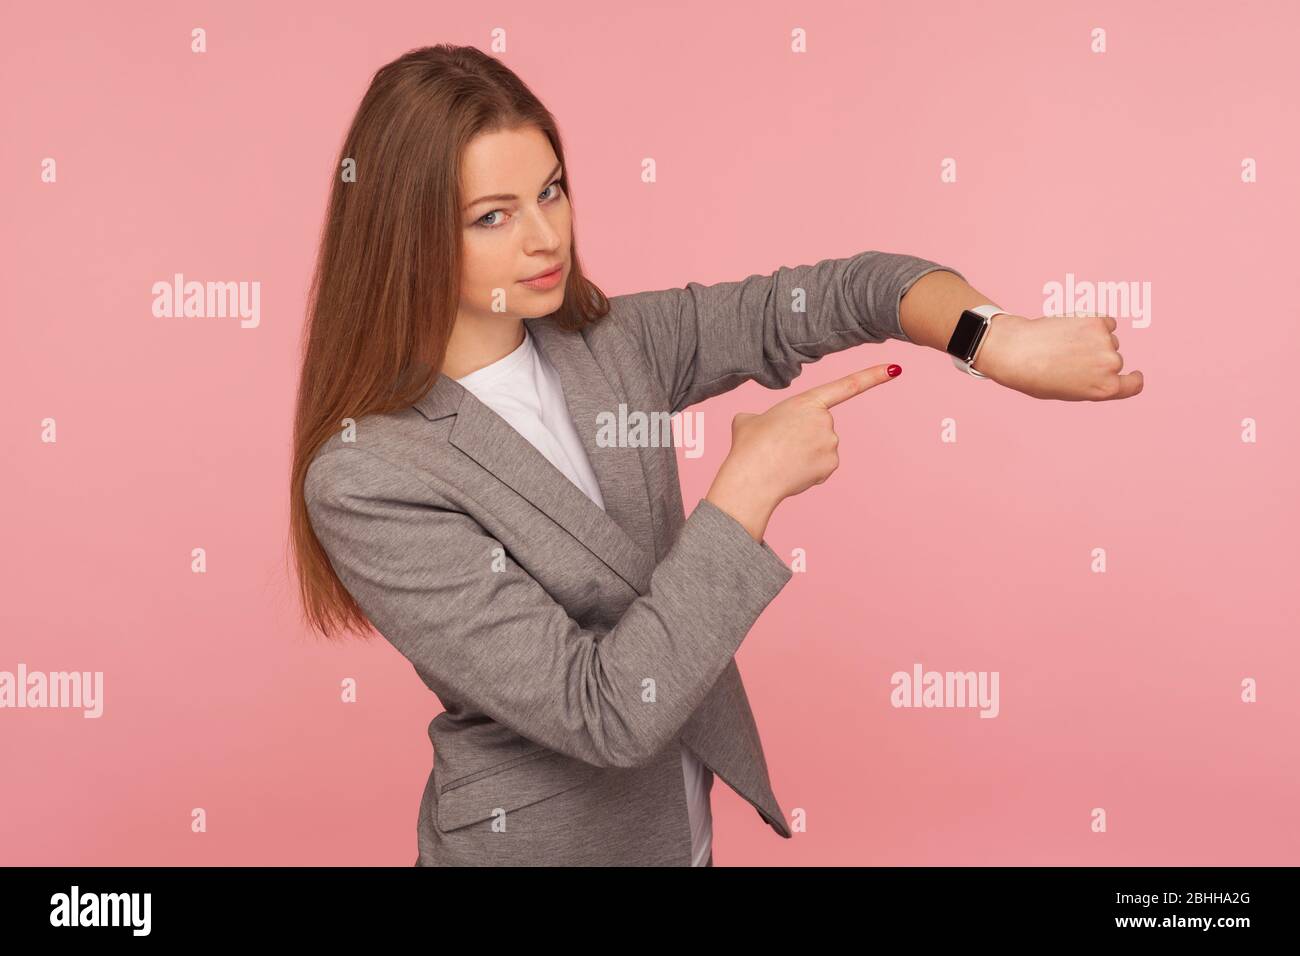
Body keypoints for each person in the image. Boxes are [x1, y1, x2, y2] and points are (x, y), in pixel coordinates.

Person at [288, 44, 1142, 867]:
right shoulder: (369, 475)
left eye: (551, 191)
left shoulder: (609, 343)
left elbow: (841, 293)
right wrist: (749, 490)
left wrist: (992, 339)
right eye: (493, 216)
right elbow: (605, 712)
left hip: (680, 831)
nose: (545, 237)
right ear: (407, 235)